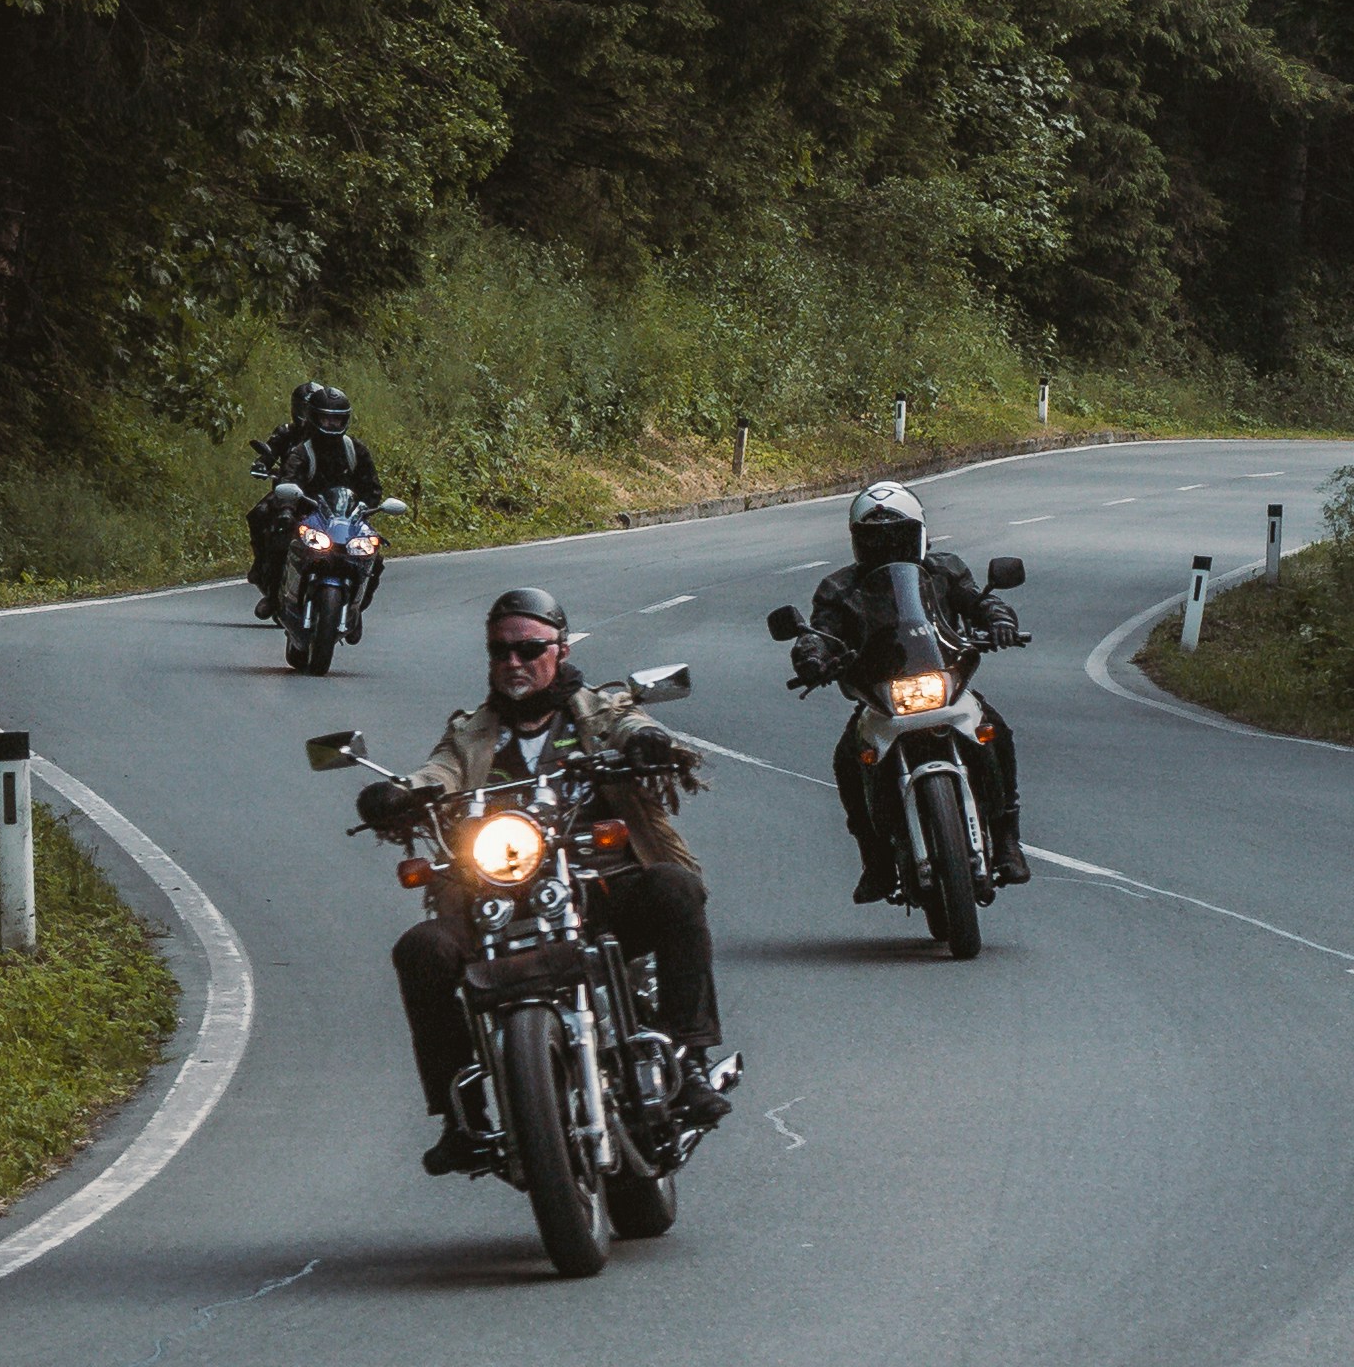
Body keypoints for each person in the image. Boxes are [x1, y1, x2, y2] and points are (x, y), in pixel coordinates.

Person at [364, 580, 729, 1165]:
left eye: (529, 649)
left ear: (559, 650)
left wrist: (648, 742)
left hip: (600, 886)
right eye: (500, 651)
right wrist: (401, 793)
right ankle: (463, 1116)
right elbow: (441, 771)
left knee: (674, 887)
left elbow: (629, 725)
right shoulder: (473, 731)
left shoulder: (597, 709)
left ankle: (690, 1060)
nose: (513, 662)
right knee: (422, 949)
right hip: (500, 903)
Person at [784, 482, 1027, 900]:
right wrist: (811, 654)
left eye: (897, 538)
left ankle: (1007, 838)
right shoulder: (838, 589)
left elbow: (976, 602)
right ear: (858, 543)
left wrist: (998, 617)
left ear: (919, 535)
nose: (888, 549)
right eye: (876, 541)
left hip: (944, 683)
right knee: (848, 760)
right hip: (882, 698)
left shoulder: (946, 569)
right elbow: (820, 631)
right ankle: (876, 860)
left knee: (997, 732)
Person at [253, 372, 378, 627]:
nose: (331, 425)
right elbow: (290, 479)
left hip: (345, 516)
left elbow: (372, 487)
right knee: (279, 541)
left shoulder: (355, 450)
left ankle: (356, 608)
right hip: (307, 512)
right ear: (314, 417)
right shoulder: (301, 451)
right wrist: (287, 509)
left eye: (336, 420)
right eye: (325, 419)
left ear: (345, 420)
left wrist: (368, 507)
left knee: (374, 554)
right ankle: (274, 597)